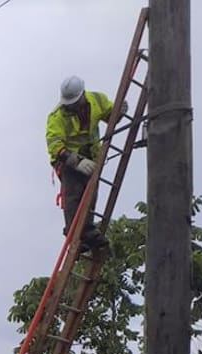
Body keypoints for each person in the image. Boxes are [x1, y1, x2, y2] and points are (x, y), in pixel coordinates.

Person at [45, 75, 124, 251]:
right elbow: (55, 146)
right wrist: (75, 161)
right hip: (68, 162)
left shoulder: (97, 100)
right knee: (73, 197)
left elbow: (110, 115)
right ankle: (74, 236)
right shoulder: (57, 116)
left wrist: (119, 112)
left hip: (92, 156)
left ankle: (87, 232)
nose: (71, 105)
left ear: (82, 94)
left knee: (90, 195)